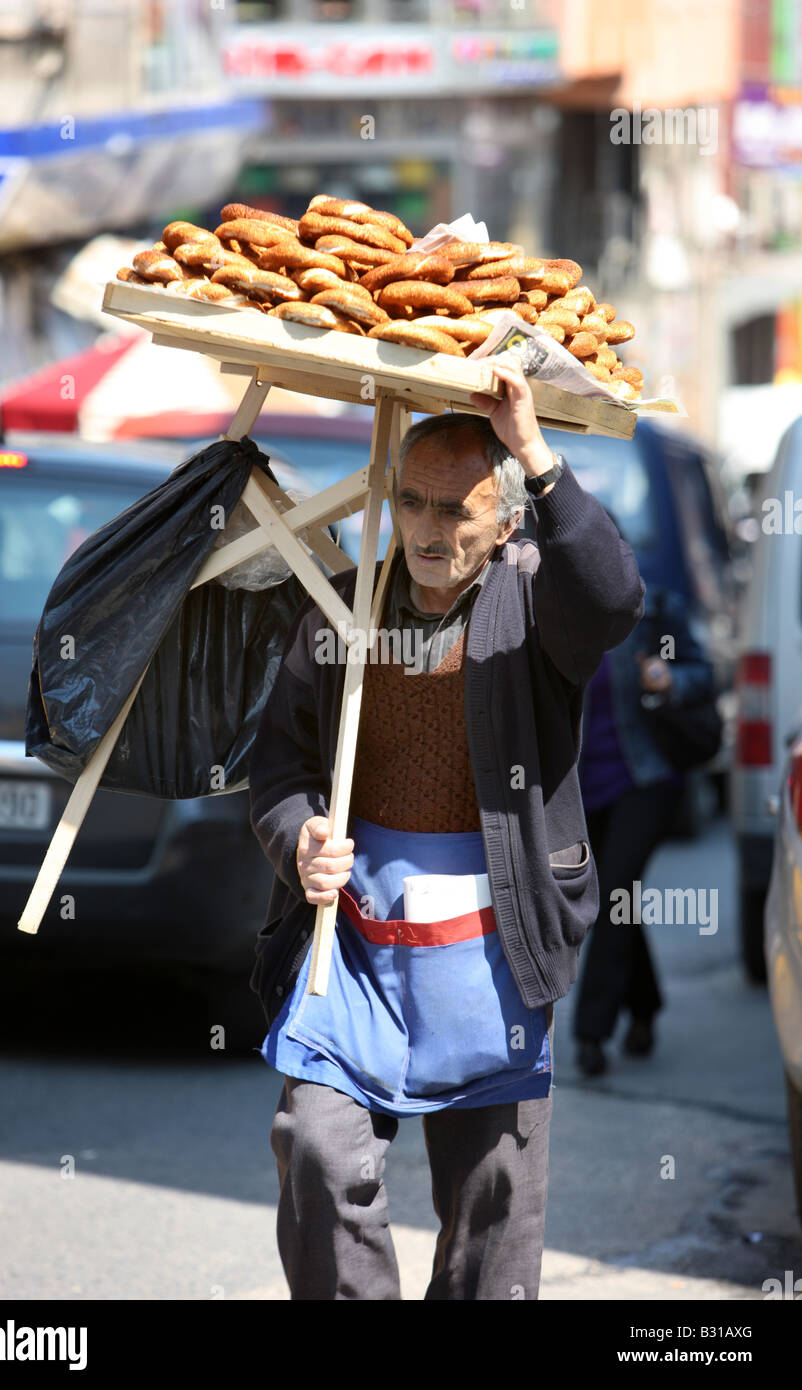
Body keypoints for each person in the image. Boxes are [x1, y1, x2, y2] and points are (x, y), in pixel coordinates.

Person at [247, 357, 645, 1300]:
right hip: (354, 944)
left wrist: (534, 453)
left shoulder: (537, 606)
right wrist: (300, 835)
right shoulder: (341, 611)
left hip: (496, 944)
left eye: (454, 509)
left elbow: (614, 597)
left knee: (492, 1204)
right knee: (314, 1147)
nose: (427, 529)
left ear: (503, 521)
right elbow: (281, 769)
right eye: (412, 503)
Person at [573, 539, 717, 1077]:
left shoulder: (655, 609)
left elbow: (705, 673)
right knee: (620, 898)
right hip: (584, 787)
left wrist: (668, 678)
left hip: (648, 777)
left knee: (612, 895)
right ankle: (645, 1008)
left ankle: (590, 1033)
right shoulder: (559, 614)